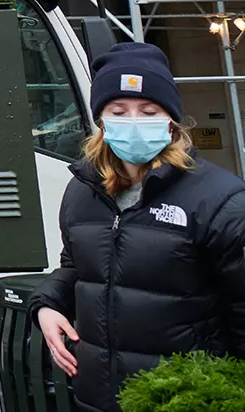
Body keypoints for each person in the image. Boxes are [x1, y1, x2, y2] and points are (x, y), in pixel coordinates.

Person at [32, 41, 245, 412]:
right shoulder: (82, 192)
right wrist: (46, 305)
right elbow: (78, 267)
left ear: (172, 120)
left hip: (184, 397)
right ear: (102, 121)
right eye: (119, 110)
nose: (133, 121)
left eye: (148, 111)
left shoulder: (221, 198)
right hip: (98, 397)